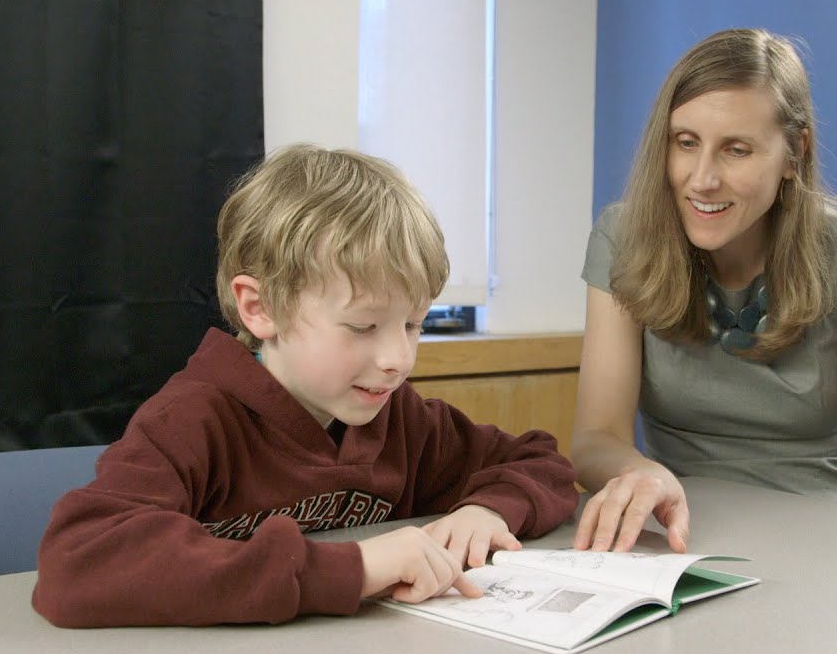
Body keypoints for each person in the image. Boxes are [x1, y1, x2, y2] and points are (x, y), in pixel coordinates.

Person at [32, 144, 579, 627]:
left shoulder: (401, 420)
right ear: (260, 308)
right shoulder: (192, 421)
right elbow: (78, 561)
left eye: (414, 324)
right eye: (363, 326)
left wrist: (487, 511)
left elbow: (543, 463)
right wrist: (355, 569)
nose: (398, 358)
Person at [571, 28, 837, 554]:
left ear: (793, 153)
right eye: (685, 143)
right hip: (686, 541)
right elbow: (597, 438)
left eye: (736, 150)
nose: (702, 179)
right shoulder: (624, 238)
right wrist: (642, 473)